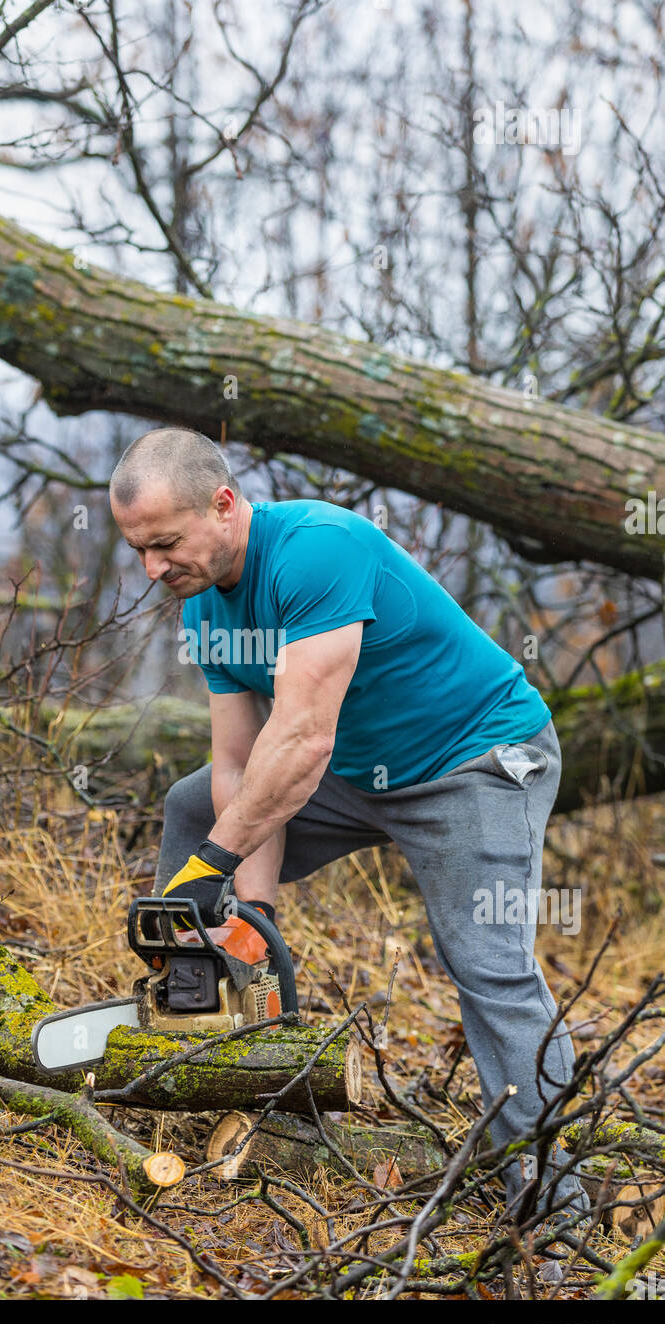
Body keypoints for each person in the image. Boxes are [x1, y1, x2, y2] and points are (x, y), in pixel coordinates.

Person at [109, 425, 589, 1219]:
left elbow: (301, 739)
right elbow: (239, 762)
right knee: (196, 806)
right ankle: (195, 1033)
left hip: (475, 760)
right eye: (138, 551)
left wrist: (211, 872)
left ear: (224, 506)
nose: (154, 568)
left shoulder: (319, 551)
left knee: (487, 963)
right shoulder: (207, 608)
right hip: (356, 770)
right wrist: (251, 912)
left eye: (164, 543)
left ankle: (553, 1190)